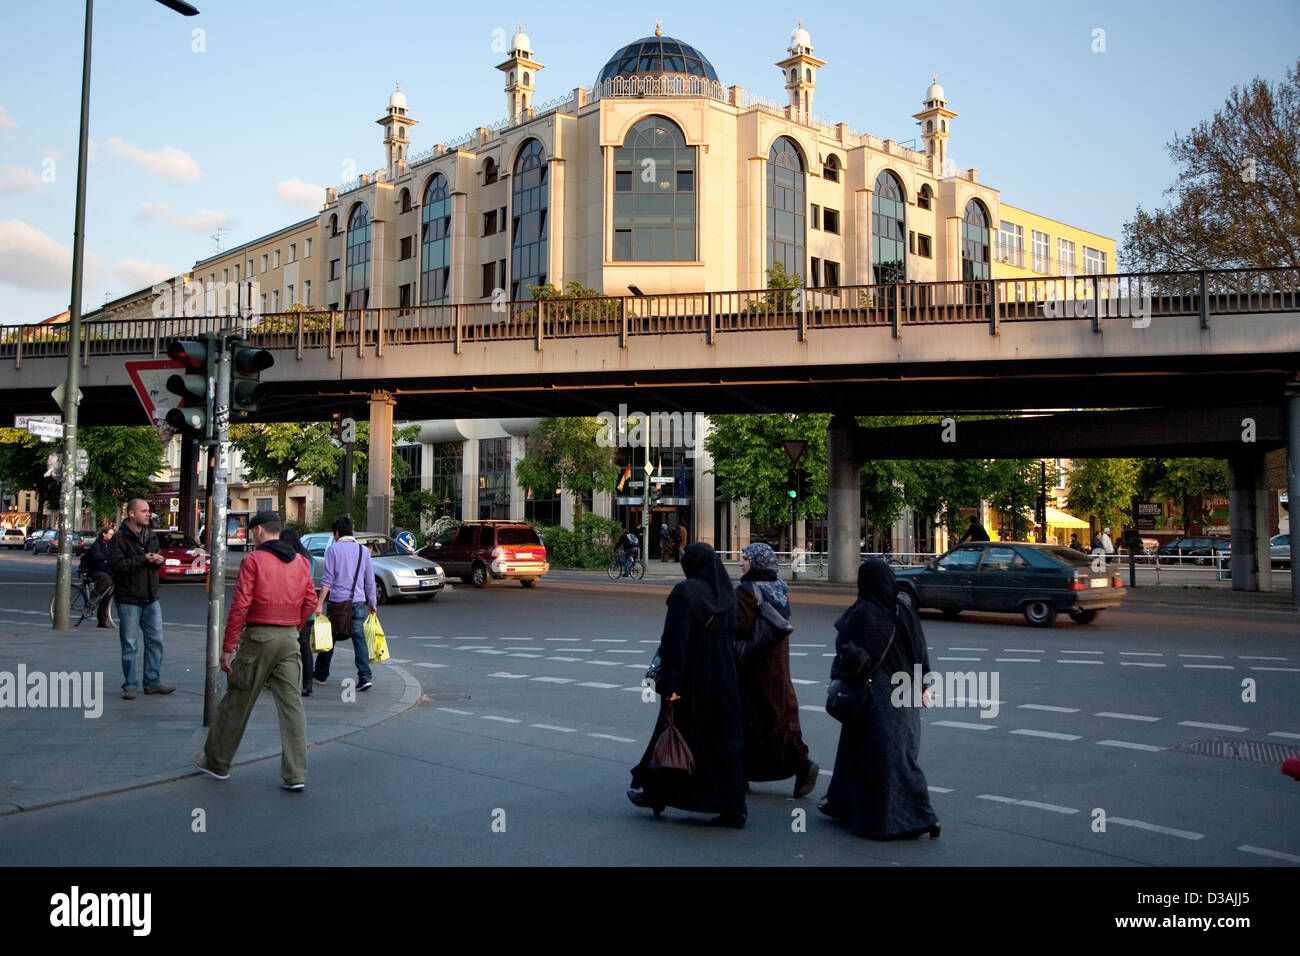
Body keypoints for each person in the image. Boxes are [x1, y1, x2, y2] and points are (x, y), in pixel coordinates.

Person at [194, 511, 316, 790]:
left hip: (259, 638)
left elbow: (240, 606)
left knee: (237, 700)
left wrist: (228, 648)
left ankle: (217, 761)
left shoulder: (253, 560)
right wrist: (295, 628)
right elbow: (310, 601)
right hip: (289, 639)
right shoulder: (299, 561)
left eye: (252, 532)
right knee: (292, 706)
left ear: (259, 531)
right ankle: (296, 774)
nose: (252, 536)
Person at [819, 559, 940, 840]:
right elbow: (919, 652)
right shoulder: (905, 611)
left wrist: (842, 674)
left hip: (875, 696)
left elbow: (852, 658)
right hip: (906, 689)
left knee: (871, 756)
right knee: (902, 755)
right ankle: (921, 815)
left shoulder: (861, 614)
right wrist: (922, 685)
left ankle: (885, 818)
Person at [629, 542, 747, 827]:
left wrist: (670, 685)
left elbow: (675, 643)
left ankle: (656, 792)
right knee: (722, 740)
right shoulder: (727, 594)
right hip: (724, 677)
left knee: (673, 732)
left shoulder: (686, 593)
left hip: (693, 677)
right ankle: (732, 806)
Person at [734, 542, 819, 796]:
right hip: (778, 663)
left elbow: (741, 626)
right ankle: (798, 762)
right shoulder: (779, 587)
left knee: (750, 719)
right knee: (780, 716)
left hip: (754, 665)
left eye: (745, 559)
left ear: (757, 562)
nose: (741, 563)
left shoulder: (747, 591)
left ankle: (743, 773)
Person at [109, 498, 174, 700]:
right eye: (144, 511)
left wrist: (157, 561)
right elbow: (117, 567)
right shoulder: (119, 538)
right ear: (131, 513)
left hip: (151, 598)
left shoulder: (151, 536)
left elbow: (155, 560)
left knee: (156, 641)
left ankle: (152, 682)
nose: (148, 514)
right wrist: (143, 559)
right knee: (130, 644)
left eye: (149, 511)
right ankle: (129, 685)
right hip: (128, 598)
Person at [312, 515, 377, 692]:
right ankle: (365, 677)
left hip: (338, 603)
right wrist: (373, 602)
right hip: (358, 602)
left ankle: (320, 674)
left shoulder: (333, 550)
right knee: (359, 639)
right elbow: (369, 579)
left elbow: (327, 580)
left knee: (330, 638)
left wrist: (319, 604)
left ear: (337, 533)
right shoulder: (364, 551)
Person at [280, 527, 317, 697]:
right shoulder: (309, 558)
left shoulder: (288, 559)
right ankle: (307, 684)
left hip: (290, 609)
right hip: (307, 611)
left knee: (285, 648)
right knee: (305, 648)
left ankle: (285, 682)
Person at [79, 525, 114, 628]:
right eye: (111, 534)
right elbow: (97, 557)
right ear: (104, 534)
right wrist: (105, 559)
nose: (112, 536)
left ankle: (102, 621)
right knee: (105, 579)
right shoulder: (97, 544)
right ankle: (93, 598)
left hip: (104, 569)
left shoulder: (110, 544)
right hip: (92, 570)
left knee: (106, 595)